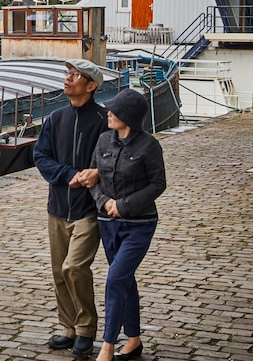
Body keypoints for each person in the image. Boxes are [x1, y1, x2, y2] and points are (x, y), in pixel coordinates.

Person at [32, 59, 110, 356]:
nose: (68, 78)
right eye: (68, 73)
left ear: (91, 86)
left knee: (74, 267)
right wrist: (68, 175)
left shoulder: (104, 120)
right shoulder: (56, 118)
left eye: (75, 75)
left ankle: (87, 328)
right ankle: (68, 327)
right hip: (57, 207)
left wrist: (95, 172)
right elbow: (41, 156)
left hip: (89, 208)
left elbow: (113, 157)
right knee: (58, 271)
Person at [89, 88, 167, 361]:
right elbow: (93, 179)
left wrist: (123, 206)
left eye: (115, 111)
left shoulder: (149, 146)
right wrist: (104, 203)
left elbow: (158, 184)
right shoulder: (102, 142)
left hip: (139, 224)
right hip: (107, 223)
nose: (109, 113)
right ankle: (133, 339)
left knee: (115, 278)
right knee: (124, 280)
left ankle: (108, 345)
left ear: (129, 117)